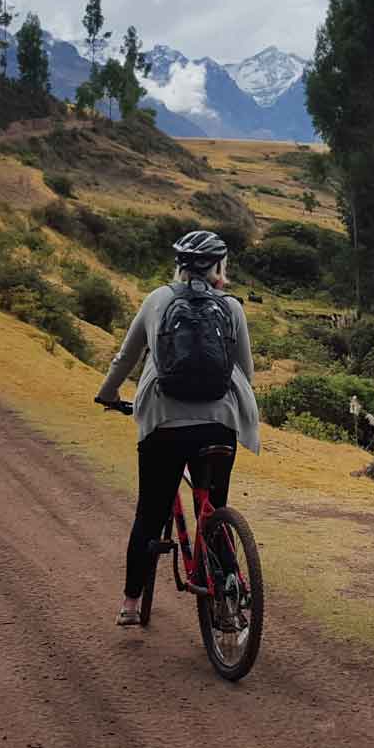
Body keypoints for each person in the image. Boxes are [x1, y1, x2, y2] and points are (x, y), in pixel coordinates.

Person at [94, 230, 261, 626]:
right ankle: (228, 594)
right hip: (219, 427)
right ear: (219, 266)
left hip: (164, 426)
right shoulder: (231, 307)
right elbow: (246, 373)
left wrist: (107, 394)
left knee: (149, 515)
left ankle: (131, 604)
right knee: (214, 509)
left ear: (179, 265)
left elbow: (125, 357)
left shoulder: (157, 300)